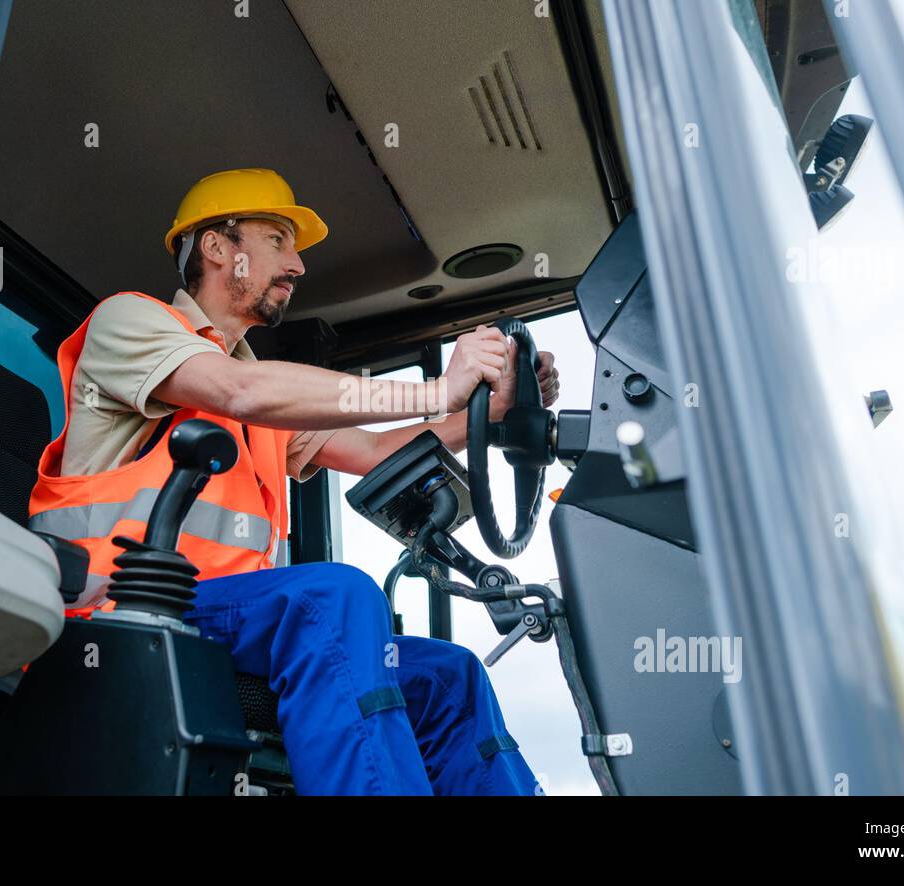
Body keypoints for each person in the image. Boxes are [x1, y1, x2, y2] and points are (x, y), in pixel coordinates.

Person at [29, 168, 561, 795]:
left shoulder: (260, 387)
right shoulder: (130, 322)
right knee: (329, 599)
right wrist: (438, 389)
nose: (298, 265)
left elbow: (371, 449)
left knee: (448, 677)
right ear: (216, 246)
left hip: (228, 623)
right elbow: (238, 391)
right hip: (115, 612)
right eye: (278, 240)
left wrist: (487, 415)